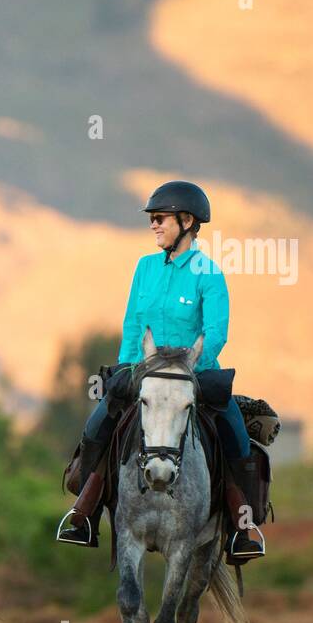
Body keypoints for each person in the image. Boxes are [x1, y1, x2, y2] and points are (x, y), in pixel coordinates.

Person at [56, 181, 265, 559]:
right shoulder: (145, 268)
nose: (153, 225)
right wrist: (125, 368)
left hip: (196, 376)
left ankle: (242, 529)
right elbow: (134, 325)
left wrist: (188, 368)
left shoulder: (209, 273)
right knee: (97, 425)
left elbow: (216, 333)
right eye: (151, 219)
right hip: (144, 373)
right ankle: (83, 514)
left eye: (159, 218)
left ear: (186, 222)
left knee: (235, 436)